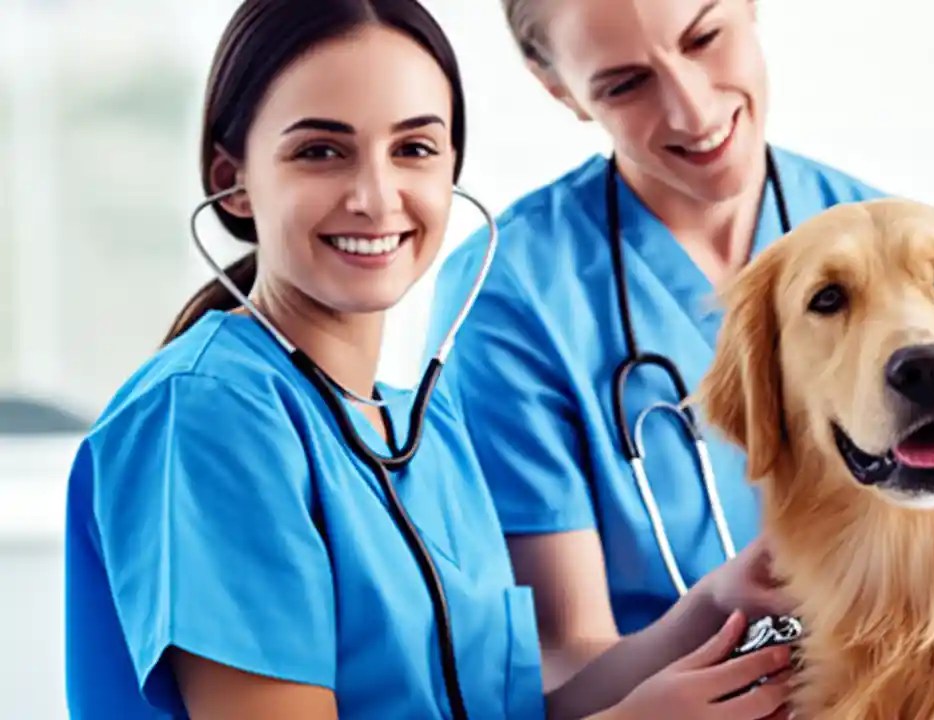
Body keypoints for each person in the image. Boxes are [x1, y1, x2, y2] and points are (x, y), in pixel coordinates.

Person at [62, 1, 799, 718]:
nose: (376, 197)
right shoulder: (206, 416)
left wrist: (712, 605)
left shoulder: (419, 426)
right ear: (235, 178)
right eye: (321, 151)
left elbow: (508, 707)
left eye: (413, 149)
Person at [426, 0, 934, 690]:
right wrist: (710, 617)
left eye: (706, 37)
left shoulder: (887, 234)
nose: (693, 110)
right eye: (626, 84)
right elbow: (562, 664)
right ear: (558, 88)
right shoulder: (513, 295)